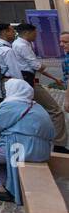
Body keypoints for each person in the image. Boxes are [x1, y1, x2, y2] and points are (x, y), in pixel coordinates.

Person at [0, 78, 54, 204]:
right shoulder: (35, 105)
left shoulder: (12, 105)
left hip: (22, 148)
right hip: (41, 150)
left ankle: (0, 188)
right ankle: (5, 185)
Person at [10, 23, 68, 152]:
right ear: (28, 32)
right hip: (27, 82)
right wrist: (54, 78)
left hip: (27, 81)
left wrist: (54, 78)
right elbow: (36, 65)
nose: (37, 35)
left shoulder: (21, 44)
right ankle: (58, 145)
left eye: (65, 42)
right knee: (55, 111)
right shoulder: (21, 45)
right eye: (35, 32)